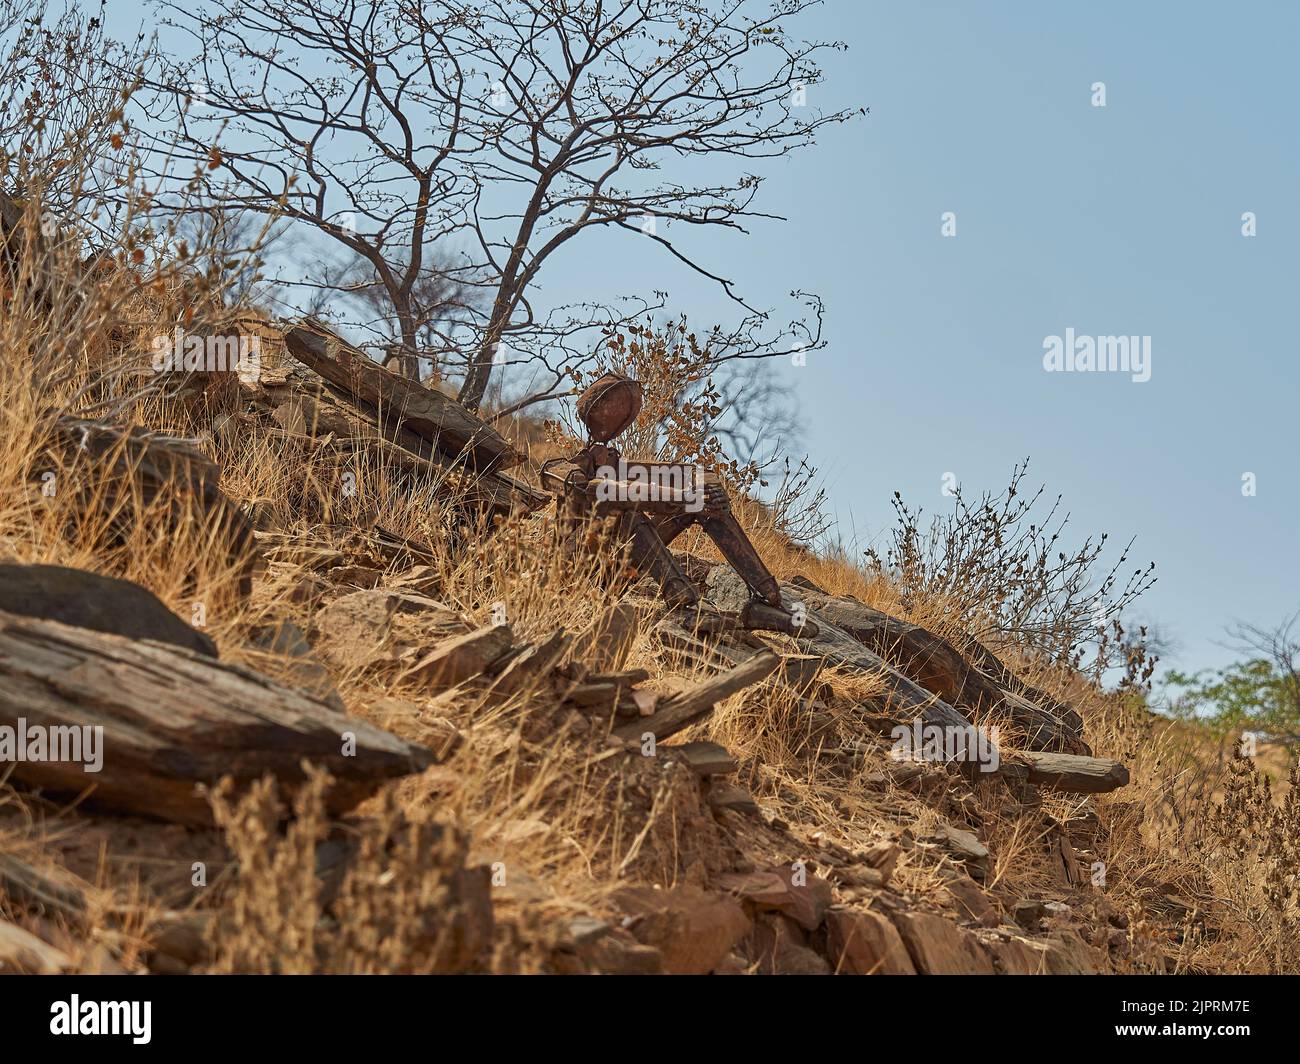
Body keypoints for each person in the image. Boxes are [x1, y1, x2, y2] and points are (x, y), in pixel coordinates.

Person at [541, 371, 813, 636]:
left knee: (704, 503)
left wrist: (708, 492)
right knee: (629, 514)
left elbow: (686, 474)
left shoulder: (621, 469)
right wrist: (681, 497)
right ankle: (682, 601)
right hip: (575, 573)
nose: (606, 456)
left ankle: (766, 597)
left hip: (618, 570)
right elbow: (599, 490)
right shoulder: (566, 468)